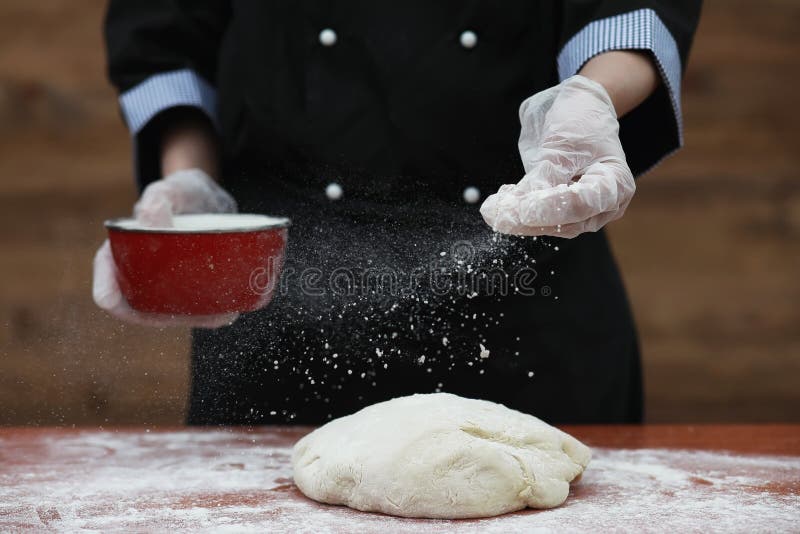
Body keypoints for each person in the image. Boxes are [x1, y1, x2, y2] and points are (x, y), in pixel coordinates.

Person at [96, 1, 701, 425]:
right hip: (280, 325)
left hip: (532, 308)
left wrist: (591, 99)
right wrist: (190, 180)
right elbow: (164, 31)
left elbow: (629, 9)